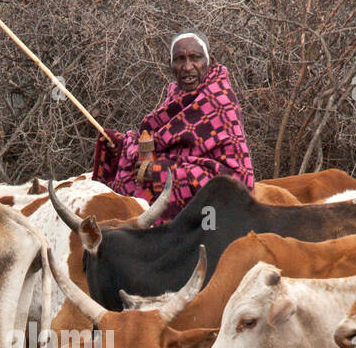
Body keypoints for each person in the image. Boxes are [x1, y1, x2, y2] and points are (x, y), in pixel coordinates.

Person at [93, 32, 254, 222]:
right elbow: (157, 144)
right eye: (179, 59)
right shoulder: (175, 98)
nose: (187, 67)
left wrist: (162, 172)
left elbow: (239, 179)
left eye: (195, 58)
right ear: (170, 65)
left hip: (209, 218)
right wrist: (121, 144)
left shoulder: (220, 103)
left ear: (210, 60)